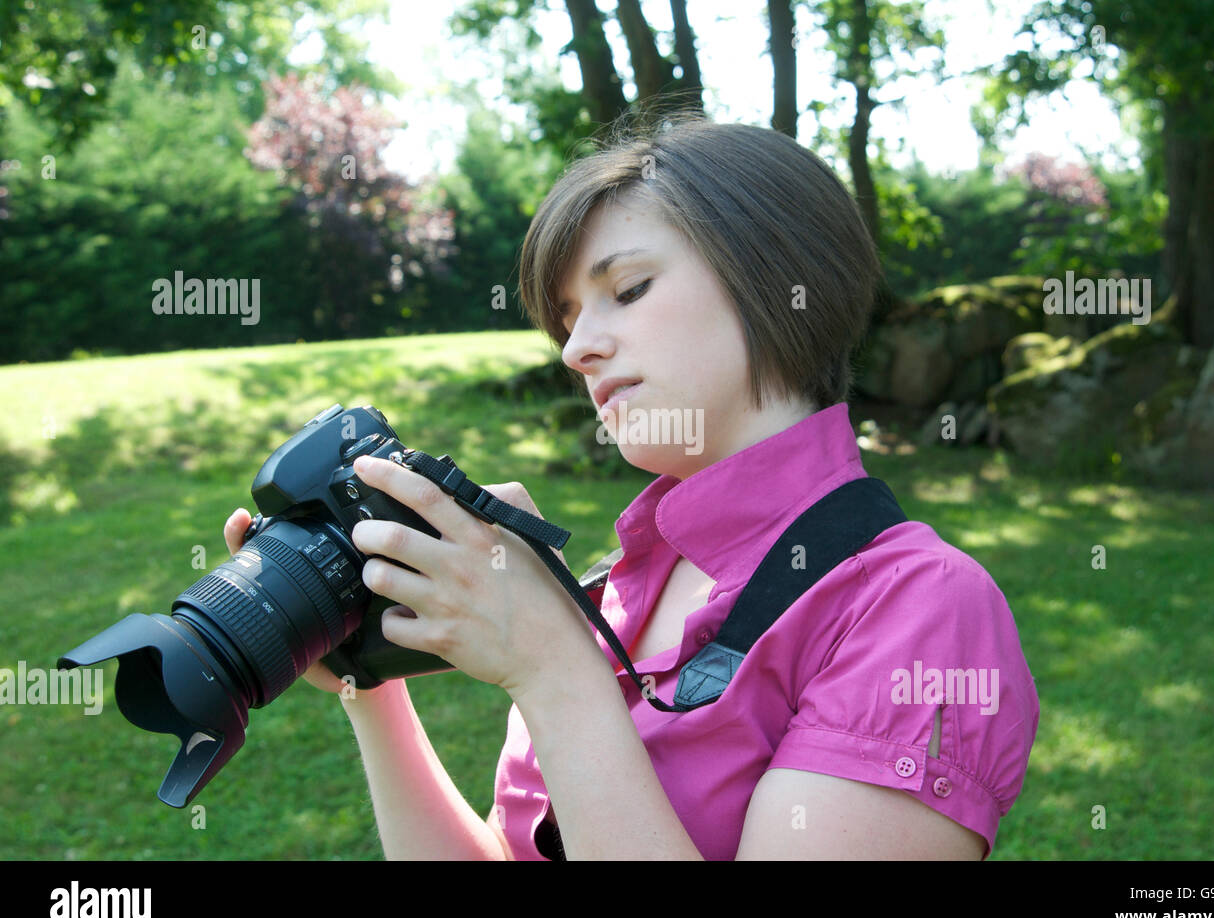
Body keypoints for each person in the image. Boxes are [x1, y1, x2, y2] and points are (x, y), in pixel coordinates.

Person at [224, 115, 1039, 860]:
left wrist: (553, 666)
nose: (577, 348)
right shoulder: (614, 591)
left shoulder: (919, 608)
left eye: (629, 289)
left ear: (778, 277)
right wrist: (369, 677)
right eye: (569, 317)